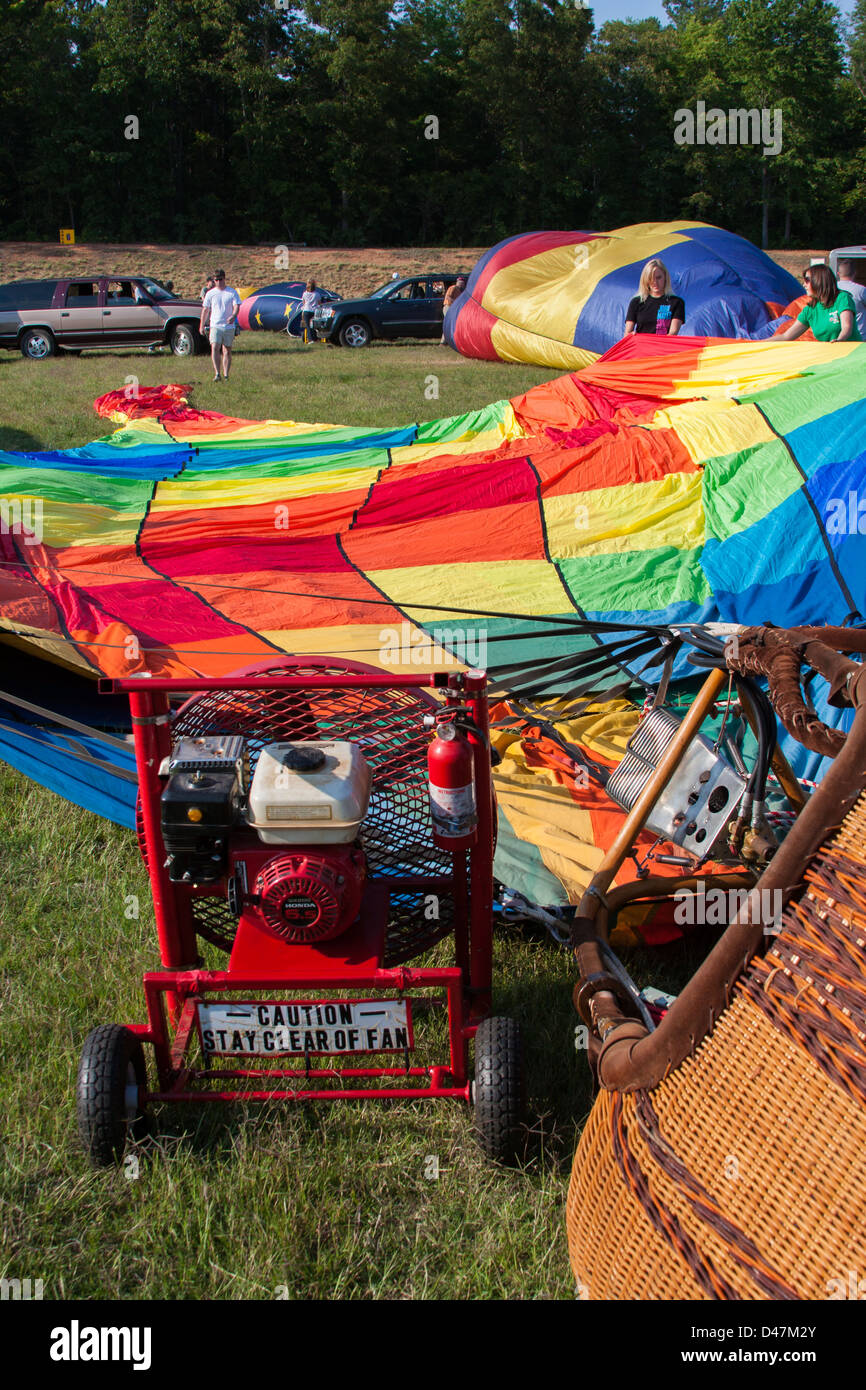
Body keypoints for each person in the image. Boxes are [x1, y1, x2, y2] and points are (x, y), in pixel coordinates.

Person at [777, 263, 861, 343]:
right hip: (831, 353)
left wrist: (839, 341)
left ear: (818, 280)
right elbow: (786, 336)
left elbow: (846, 328)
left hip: (850, 353)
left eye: (807, 280)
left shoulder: (842, 298)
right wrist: (763, 343)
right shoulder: (810, 309)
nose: (804, 285)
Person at [200, 269, 241, 381]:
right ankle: (217, 374)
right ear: (214, 280)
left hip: (228, 326)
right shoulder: (210, 293)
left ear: (224, 278)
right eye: (216, 280)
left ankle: (226, 374)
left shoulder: (232, 292)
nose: (218, 282)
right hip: (215, 325)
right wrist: (201, 325)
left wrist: (233, 316)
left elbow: (237, 306)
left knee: (227, 350)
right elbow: (205, 310)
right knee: (214, 347)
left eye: (220, 279)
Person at [624, 260, 685, 336]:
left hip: (664, 346)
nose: (655, 282)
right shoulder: (636, 302)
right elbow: (627, 334)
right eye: (650, 278)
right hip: (641, 346)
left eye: (658, 278)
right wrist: (632, 335)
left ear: (665, 277)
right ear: (645, 280)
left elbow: (673, 333)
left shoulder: (677, 302)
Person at [835, 258, 866, 340]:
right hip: (859, 336)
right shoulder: (861, 290)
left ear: (838, 274)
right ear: (854, 273)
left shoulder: (832, 289)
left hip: (837, 336)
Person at [440, 275, 466, 343]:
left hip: (453, 309)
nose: (462, 285)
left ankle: (450, 341)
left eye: (463, 283)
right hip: (448, 307)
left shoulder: (460, 291)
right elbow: (448, 297)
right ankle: (443, 342)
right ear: (458, 282)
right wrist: (456, 302)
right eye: (461, 283)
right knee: (449, 324)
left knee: (453, 324)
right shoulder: (453, 287)